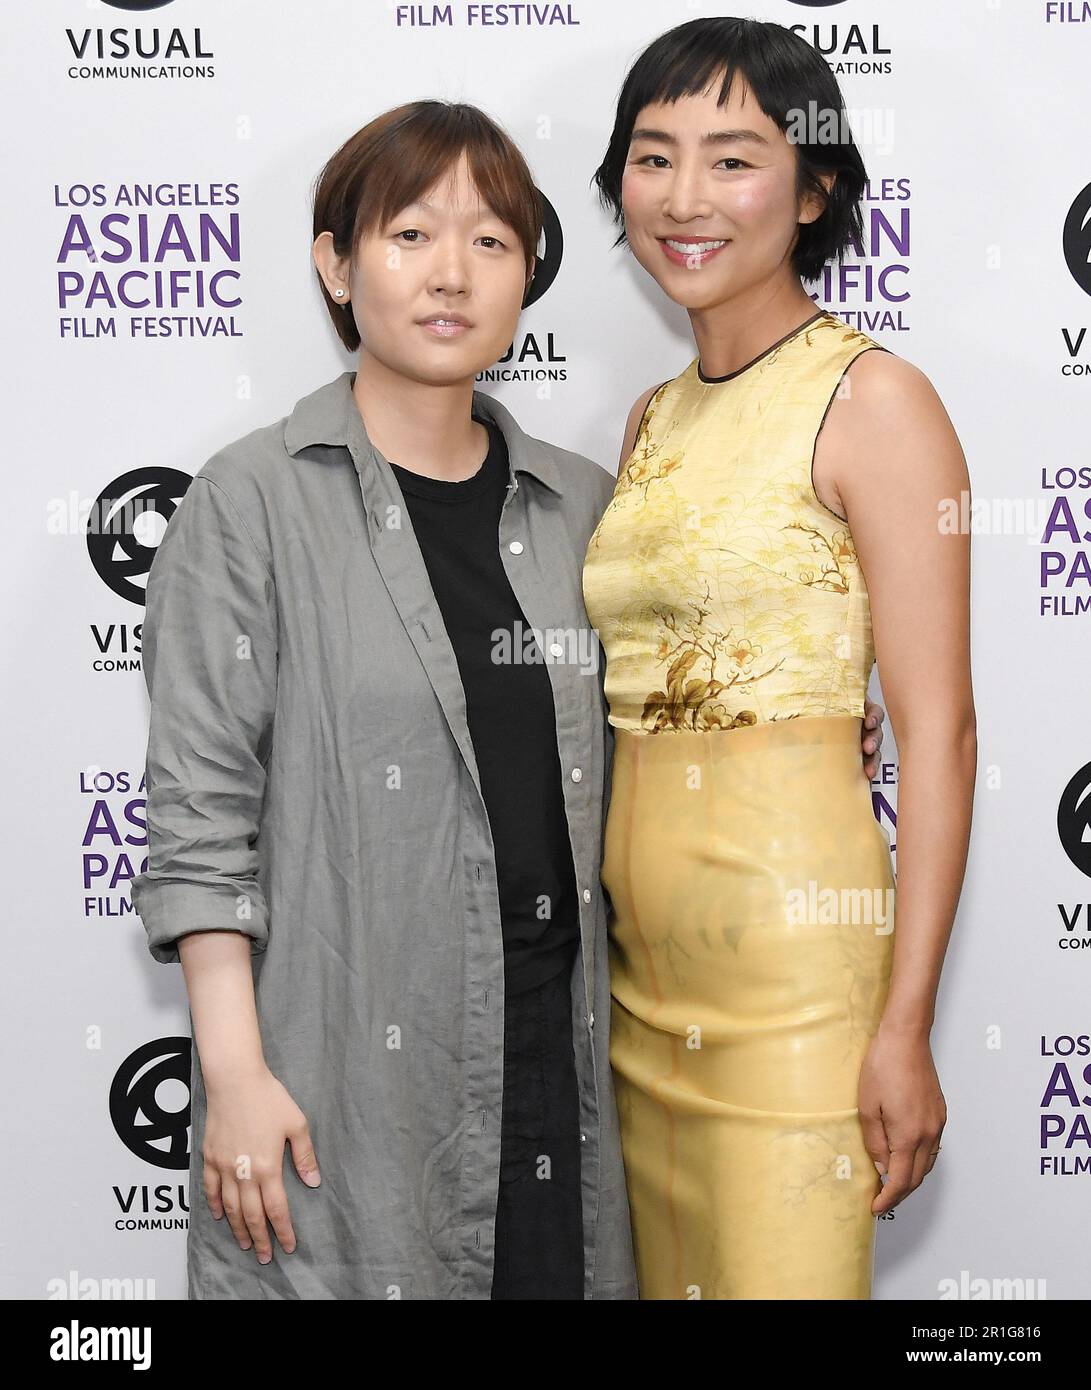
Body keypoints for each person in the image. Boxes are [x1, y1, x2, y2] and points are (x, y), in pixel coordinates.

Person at [130, 96, 884, 1300]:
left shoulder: (586, 504)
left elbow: (672, 699)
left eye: (490, 241)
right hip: (346, 1070)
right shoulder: (252, 502)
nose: (451, 274)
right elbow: (200, 818)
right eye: (408, 235)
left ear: (528, 274)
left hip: (564, 1064)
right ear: (335, 262)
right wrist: (232, 1070)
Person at [582, 17, 975, 1299]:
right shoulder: (650, 415)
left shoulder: (873, 399)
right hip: (638, 989)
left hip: (799, 985)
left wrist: (901, 1026)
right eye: (652, 157)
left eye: (732, 159)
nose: (683, 198)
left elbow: (938, 732)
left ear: (811, 191)